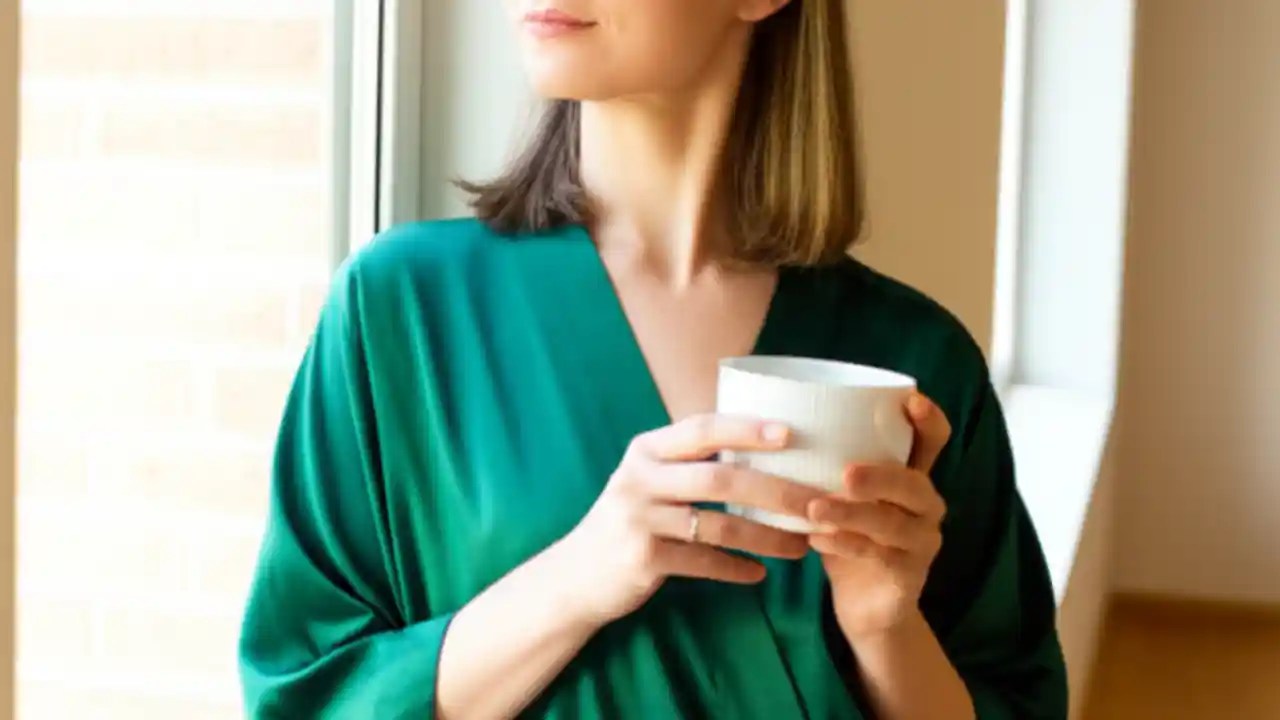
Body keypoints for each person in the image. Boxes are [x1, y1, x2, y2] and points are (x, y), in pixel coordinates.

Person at [238, 1, 1067, 718]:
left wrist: (887, 628)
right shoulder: (402, 309)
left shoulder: (914, 360)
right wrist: (580, 578)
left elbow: (1010, 696)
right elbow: (308, 695)